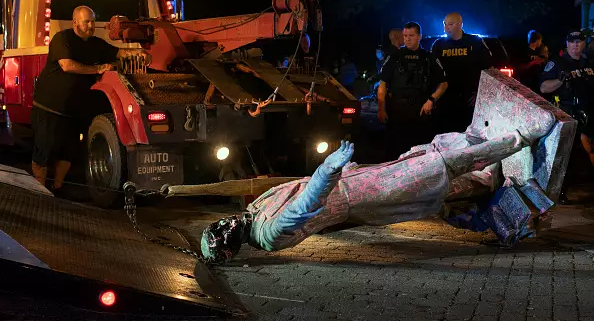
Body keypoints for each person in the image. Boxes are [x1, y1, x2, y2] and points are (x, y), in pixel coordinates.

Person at [200, 111, 555, 264]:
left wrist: (341, 169)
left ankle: (485, 164)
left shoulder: (254, 211)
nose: (224, 224)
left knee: (423, 162)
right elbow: (307, 203)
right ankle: (521, 138)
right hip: (364, 196)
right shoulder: (270, 235)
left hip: (356, 182)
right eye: (222, 232)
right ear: (232, 246)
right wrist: (329, 168)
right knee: (437, 169)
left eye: (217, 225)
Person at [31, 6, 149, 191]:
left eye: (93, 21)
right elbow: (68, 66)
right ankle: (39, 191)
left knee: (67, 153)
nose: (91, 25)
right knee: (44, 150)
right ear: (75, 22)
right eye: (86, 21)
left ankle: (57, 188)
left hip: (74, 111)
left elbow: (119, 53)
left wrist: (138, 54)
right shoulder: (62, 39)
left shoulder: (96, 44)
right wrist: (99, 69)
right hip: (49, 107)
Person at [377, 21, 448, 157]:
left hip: (420, 109)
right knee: (395, 150)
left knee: (420, 151)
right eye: (405, 36)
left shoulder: (428, 57)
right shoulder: (394, 57)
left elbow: (443, 84)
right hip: (397, 110)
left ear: (419, 37)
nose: (407, 39)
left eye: (411, 35)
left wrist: (431, 100)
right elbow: (382, 84)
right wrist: (381, 108)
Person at [539, 29, 594, 203]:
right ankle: (560, 192)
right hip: (567, 114)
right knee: (565, 155)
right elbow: (543, 88)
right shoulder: (557, 63)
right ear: (567, 43)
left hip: (589, 112)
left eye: (579, 42)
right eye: (572, 42)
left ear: (584, 43)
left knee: (589, 151)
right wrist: (560, 81)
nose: (575, 45)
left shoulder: (589, 62)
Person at [430, 13, 493, 133]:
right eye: (444, 24)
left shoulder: (475, 42)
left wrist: (481, 94)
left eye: (450, 24)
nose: (446, 28)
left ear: (459, 24)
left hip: (469, 99)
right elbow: (432, 72)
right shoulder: (439, 45)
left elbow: (490, 70)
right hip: (446, 100)